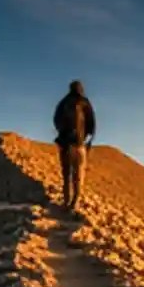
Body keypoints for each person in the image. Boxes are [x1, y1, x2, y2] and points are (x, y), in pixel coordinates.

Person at [52, 79, 96, 211]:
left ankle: (67, 202)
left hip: (66, 144)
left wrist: (63, 134)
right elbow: (92, 124)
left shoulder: (63, 102)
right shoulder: (85, 102)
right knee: (78, 175)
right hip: (79, 145)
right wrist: (88, 139)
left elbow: (56, 120)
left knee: (67, 174)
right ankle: (74, 202)